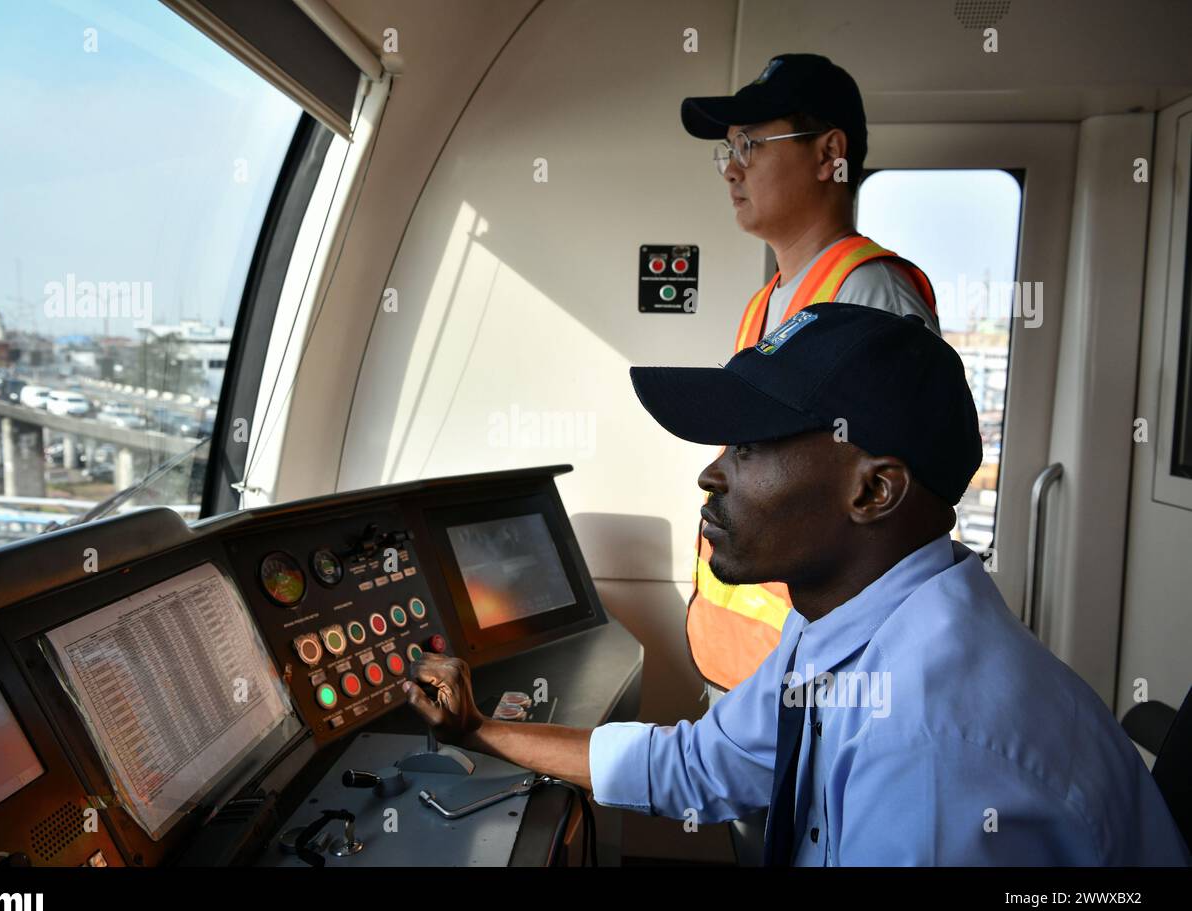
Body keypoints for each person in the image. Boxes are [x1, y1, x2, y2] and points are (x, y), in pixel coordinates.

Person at [402, 302, 1191, 865]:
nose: (711, 472)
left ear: (873, 491)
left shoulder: (927, 755)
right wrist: (478, 729)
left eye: (750, 446)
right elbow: (699, 766)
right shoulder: (844, 626)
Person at [682, 53, 939, 700]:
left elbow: (902, 516)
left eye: (750, 144)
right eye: (727, 150)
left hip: (818, 684)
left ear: (830, 155)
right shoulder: (763, 305)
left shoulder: (871, 297)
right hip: (746, 673)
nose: (731, 167)